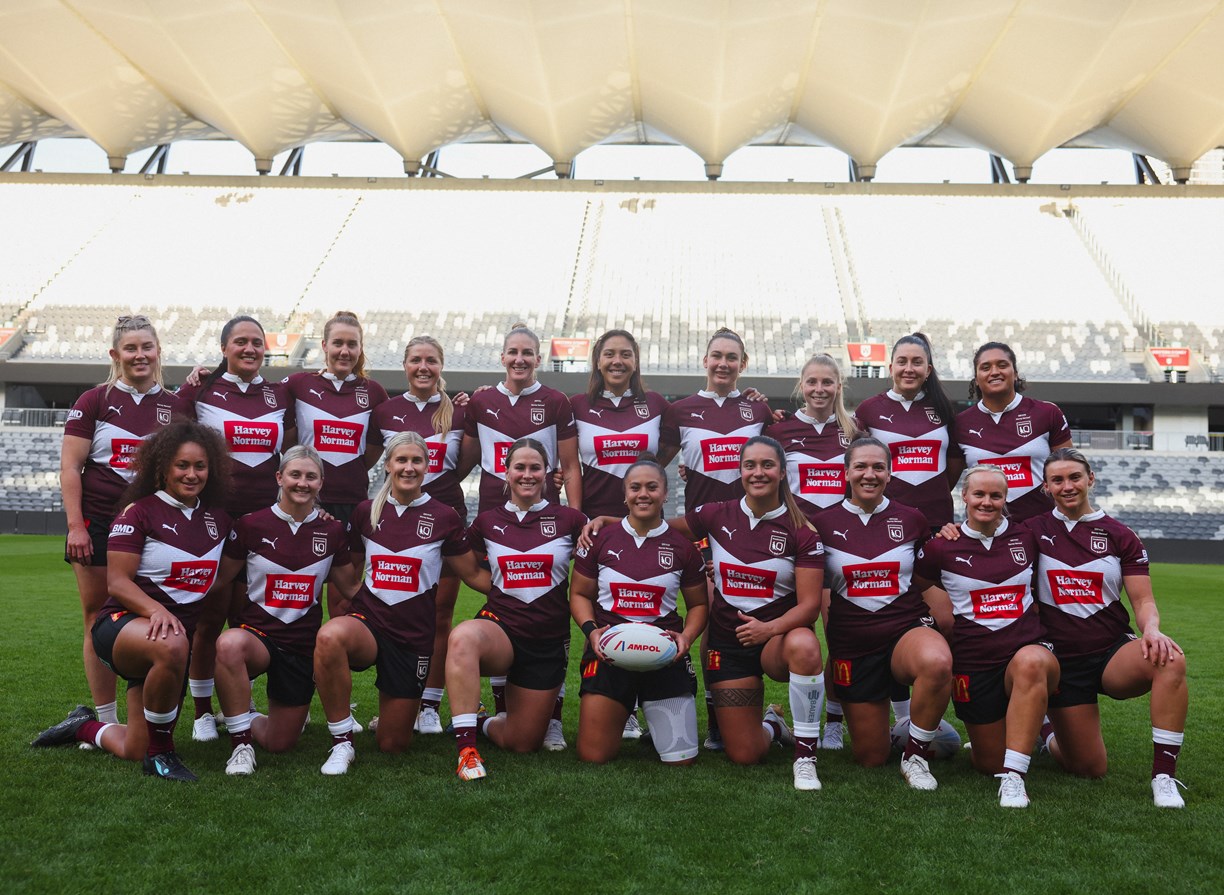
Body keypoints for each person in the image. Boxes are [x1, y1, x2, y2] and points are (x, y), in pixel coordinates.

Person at [34, 421, 232, 782]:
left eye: (199, 466)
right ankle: (162, 755)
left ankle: (83, 728)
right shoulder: (138, 512)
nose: (191, 474)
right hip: (122, 628)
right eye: (182, 465)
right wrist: (157, 609)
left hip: (166, 646)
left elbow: (233, 568)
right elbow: (117, 582)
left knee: (132, 747)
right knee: (173, 644)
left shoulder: (218, 519)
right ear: (162, 468)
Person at [311, 432, 489, 775]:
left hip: (412, 636)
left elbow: (472, 574)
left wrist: (521, 593)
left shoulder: (445, 516)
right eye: (402, 460)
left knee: (393, 745)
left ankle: (391, 716)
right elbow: (349, 573)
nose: (409, 467)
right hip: (369, 623)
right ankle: (342, 741)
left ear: (427, 466)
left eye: (416, 461)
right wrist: (320, 527)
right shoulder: (366, 512)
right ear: (388, 464)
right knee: (330, 636)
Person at [664, 436, 827, 790]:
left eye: (767, 465)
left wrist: (768, 630)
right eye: (750, 465)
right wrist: (603, 522)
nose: (758, 472)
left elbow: (810, 606)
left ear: (782, 472)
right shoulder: (716, 514)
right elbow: (661, 528)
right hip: (729, 645)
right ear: (739, 471)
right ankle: (773, 725)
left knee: (806, 646)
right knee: (745, 754)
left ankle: (805, 757)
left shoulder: (802, 530)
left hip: (777, 641)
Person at [1030, 448, 1188, 808]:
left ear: (1091, 479)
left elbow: (1143, 601)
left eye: (1074, 477)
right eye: (1057, 480)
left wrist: (1152, 629)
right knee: (1088, 767)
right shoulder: (1031, 532)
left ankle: (1163, 777)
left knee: (1170, 659)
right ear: (1046, 487)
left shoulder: (1120, 534)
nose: (1067, 486)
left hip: (1110, 651)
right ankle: (1046, 729)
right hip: (1060, 662)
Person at [458, 321, 580, 748]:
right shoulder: (480, 401)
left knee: (549, 600)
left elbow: (571, 462)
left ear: (539, 359)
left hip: (546, 515)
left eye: (528, 352)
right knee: (505, 603)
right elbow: (465, 459)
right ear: (502, 356)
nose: (520, 359)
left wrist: (575, 517)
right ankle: (501, 707)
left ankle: (550, 719)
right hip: (499, 514)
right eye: (513, 352)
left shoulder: (556, 401)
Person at [59, 314, 183, 735]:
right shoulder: (93, 401)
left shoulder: (175, 405)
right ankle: (106, 718)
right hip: (97, 524)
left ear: (158, 350)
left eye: (147, 347)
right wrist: (76, 526)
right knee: (96, 615)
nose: (140, 355)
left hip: (153, 530)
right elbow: (70, 467)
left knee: (149, 612)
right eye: (130, 348)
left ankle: (149, 712)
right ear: (116, 355)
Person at [176, 314, 296, 742]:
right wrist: (193, 381)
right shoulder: (202, 389)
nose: (249, 348)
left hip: (263, 526)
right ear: (224, 348)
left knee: (250, 622)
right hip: (214, 522)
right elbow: (176, 435)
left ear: (266, 349)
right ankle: (204, 711)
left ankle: (242, 705)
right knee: (208, 621)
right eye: (240, 341)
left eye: (257, 342)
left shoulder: (281, 393)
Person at [811, 437, 953, 791]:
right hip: (854, 642)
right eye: (861, 466)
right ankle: (903, 730)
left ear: (890, 474)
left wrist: (952, 534)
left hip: (905, 627)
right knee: (871, 756)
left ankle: (916, 754)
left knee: (936, 660)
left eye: (878, 467)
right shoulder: (821, 524)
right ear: (846, 473)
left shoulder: (911, 518)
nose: (869, 474)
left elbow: (929, 569)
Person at [915, 465, 1060, 808]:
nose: (987, 501)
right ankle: (1038, 729)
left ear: (1005, 498)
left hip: (1028, 648)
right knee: (987, 763)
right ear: (964, 496)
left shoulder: (1027, 537)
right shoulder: (941, 547)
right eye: (979, 494)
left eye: (996, 495)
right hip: (974, 661)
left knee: (1031, 662)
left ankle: (1014, 778)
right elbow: (917, 586)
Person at [658, 327, 773, 750]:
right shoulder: (681, 410)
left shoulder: (758, 412)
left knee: (745, 618)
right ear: (704, 361)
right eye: (716, 356)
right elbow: (653, 466)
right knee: (706, 618)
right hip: (704, 532)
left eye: (732, 357)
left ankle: (747, 715)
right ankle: (715, 714)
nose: (723, 363)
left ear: (743, 365)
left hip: (754, 536)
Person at [445, 438, 587, 780]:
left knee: (523, 743)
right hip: (501, 628)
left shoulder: (571, 519)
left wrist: (601, 522)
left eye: (534, 467)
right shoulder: (488, 522)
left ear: (547, 473)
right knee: (463, 637)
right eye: (519, 467)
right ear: (506, 474)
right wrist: (503, 587)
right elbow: (468, 569)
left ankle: (484, 720)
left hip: (546, 641)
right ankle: (467, 751)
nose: (527, 474)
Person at [212, 446, 359, 775]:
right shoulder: (250, 525)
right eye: (295, 474)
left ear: (321, 482)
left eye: (311, 476)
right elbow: (220, 579)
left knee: (280, 743)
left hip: (301, 646)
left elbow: (350, 588)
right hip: (258, 636)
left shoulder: (332, 531)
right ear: (279, 477)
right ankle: (240, 745)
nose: (302, 483)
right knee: (229, 644)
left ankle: (244, 717)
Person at [851, 334, 962, 745]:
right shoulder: (869, 410)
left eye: (918, 362)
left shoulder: (944, 410)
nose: (909, 368)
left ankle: (918, 712)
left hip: (934, 530)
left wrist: (928, 504)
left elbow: (952, 469)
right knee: (881, 616)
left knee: (945, 621)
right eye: (902, 361)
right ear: (890, 366)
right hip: (884, 533)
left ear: (928, 369)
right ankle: (896, 713)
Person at [570, 456, 708, 765]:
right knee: (594, 756)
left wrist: (686, 638)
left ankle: (654, 719)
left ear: (665, 493)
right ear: (625, 494)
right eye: (635, 487)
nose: (643, 494)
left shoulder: (683, 547)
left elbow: (699, 604)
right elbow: (578, 594)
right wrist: (592, 633)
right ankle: (626, 712)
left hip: (665, 656)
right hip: (609, 654)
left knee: (680, 760)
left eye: (651, 487)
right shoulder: (599, 539)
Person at [569, 329, 669, 740]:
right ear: (597, 360)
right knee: (593, 608)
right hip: (593, 524)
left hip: (641, 523)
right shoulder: (575, 406)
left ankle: (635, 695)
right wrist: (578, 519)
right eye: (609, 354)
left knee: (640, 600)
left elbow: (668, 454)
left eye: (625, 354)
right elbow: (568, 462)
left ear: (636, 360)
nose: (617, 361)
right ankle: (599, 702)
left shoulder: (658, 405)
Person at [370, 336, 468, 736]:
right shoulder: (385, 410)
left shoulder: (461, 412)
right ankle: (394, 697)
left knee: (440, 613)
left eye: (431, 360)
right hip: (396, 519)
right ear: (405, 365)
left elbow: (465, 465)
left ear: (441, 365)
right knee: (394, 608)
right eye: (415, 360)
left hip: (444, 518)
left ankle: (429, 703)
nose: (423, 367)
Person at [286, 311, 389, 525]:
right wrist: (201, 376)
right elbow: (257, 395)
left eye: (352, 344)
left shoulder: (374, 392)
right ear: (324, 345)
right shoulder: (298, 384)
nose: (345, 351)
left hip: (353, 501)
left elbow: (374, 449)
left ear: (360, 348)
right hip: (305, 500)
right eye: (338, 343)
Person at [956, 341, 1073, 522]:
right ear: (976, 379)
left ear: (1015, 373)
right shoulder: (960, 424)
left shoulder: (1047, 413)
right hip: (986, 533)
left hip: (1043, 529)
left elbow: (1071, 473)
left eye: (1002, 365)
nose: (994, 372)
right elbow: (943, 484)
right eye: (985, 367)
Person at [765, 354, 858, 525]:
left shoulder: (855, 431)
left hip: (844, 534)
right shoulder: (778, 431)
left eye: (827, 382)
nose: (819, 389)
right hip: (795, 534)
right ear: (801, 386)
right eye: (812, 382)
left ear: (838, 387)